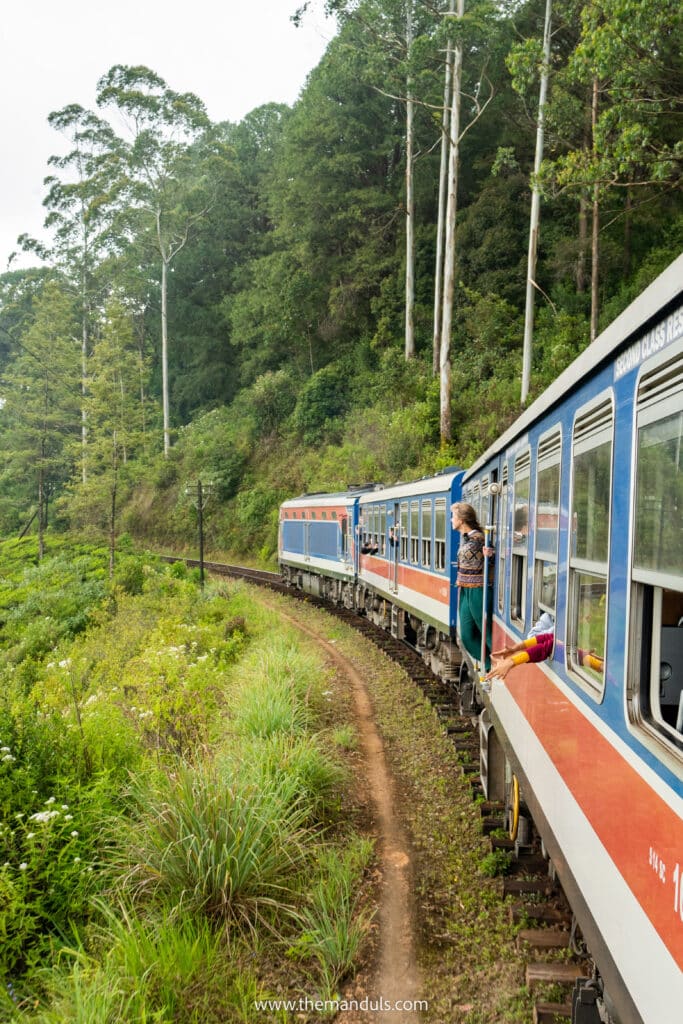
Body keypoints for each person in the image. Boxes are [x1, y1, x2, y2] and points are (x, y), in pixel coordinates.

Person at [451, 501, 495, 671]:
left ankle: (495, 666)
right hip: (465, 590)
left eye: (453, 516)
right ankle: (490, 663)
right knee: (467, 636)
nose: (451, 520)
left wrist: (490, 555)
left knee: (487, 632)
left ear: (462, 519)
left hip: (478, 590)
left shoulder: (480, 538)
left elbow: (492, 556)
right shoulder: (466, 539)